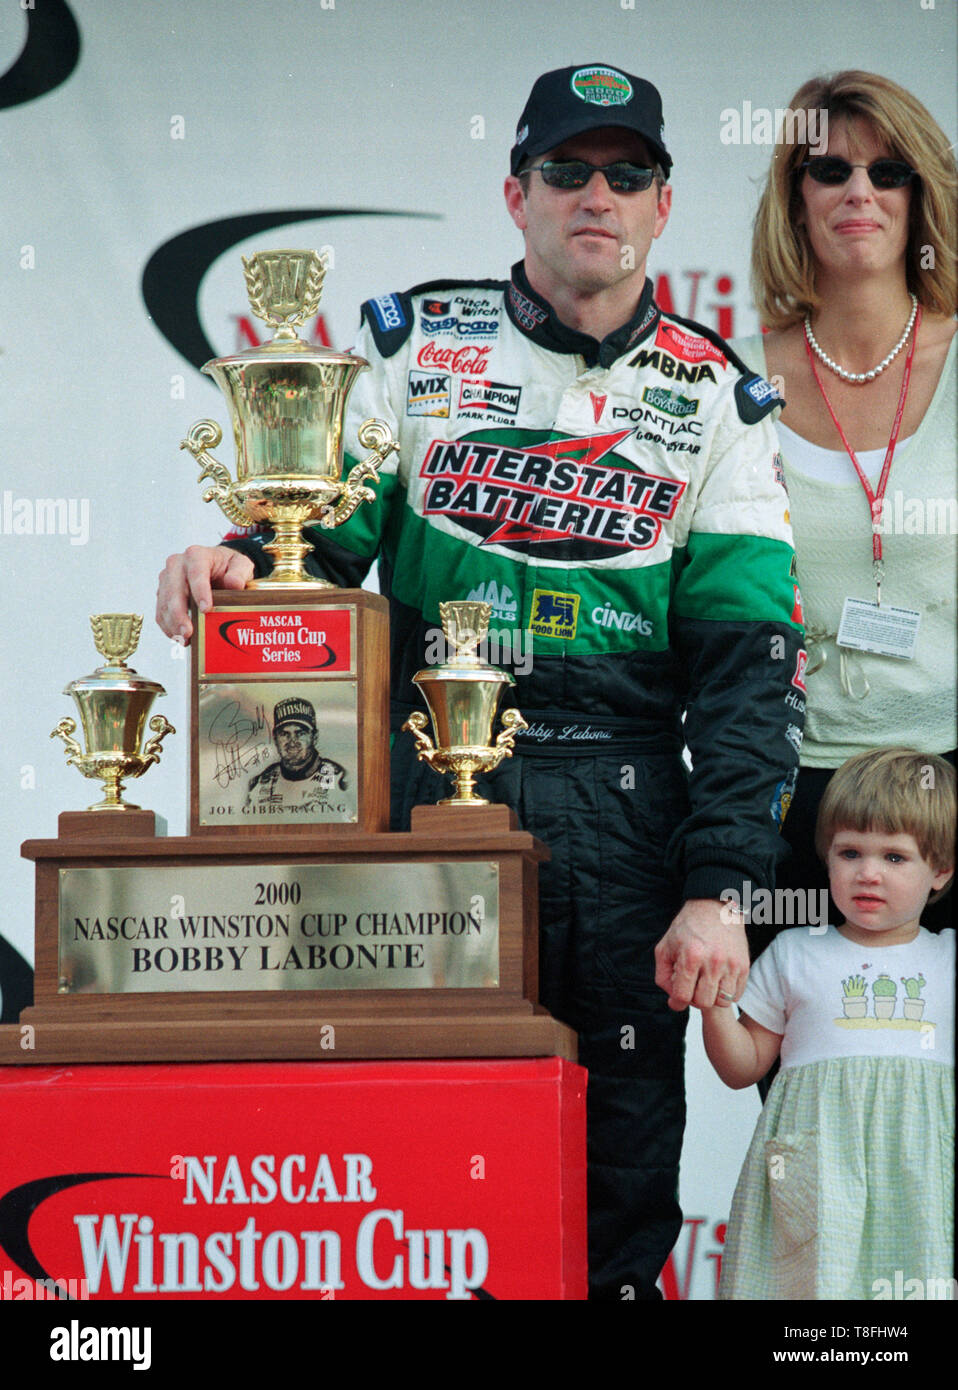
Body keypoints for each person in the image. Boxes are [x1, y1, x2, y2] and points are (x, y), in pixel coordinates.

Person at [157, 63, 804, 1299]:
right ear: (517, 194)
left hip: (622, 810)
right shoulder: (417, 343)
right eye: (567, 171)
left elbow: (745, 674)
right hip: (426, 800)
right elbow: (321, 541)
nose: (595, 195)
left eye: (626, 173)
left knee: (614, 1168)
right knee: (408, 1141)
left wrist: (721, 889)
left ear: (664, 205)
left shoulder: (717, 395)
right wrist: (233, 558)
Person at [730, 71, 957, 936]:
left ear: (921, 194)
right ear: (796, 199)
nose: (859, 191)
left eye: (887, 171)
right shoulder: (732, 376)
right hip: (783, 791)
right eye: (830, 171)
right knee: (804, 1070)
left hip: (948, 786)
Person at [703, 747, 955, 1299]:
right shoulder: (794, 953)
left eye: (895, 857)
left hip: (922, 1185)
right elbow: (743, 1067)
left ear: (940, 869)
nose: (868, 872)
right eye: (849, 852)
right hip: (815, 1182)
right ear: (825, 857)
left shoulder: (950, 961)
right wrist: (716, 1005)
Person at [244, 697, 348, 814]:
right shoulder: (259, 783)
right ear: (275, 739)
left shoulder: (338, 779)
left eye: (300, 733)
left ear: (314, 737)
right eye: (284, 734)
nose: (292, 742)